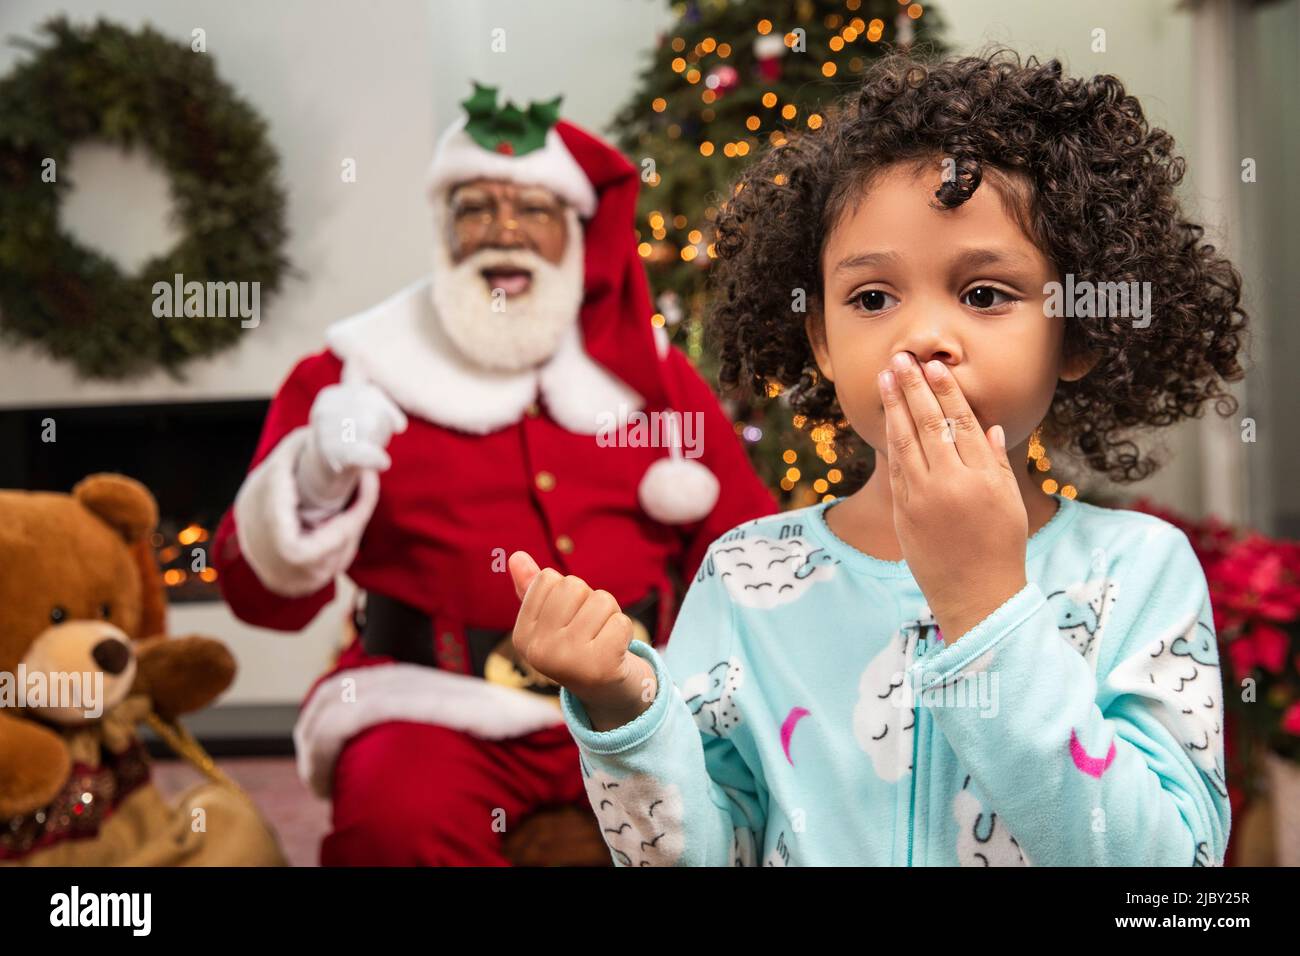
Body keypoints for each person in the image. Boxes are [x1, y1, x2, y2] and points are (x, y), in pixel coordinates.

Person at [506, 50, 1244, 866]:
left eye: (985, 294)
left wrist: (989, 609)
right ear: (821, 339)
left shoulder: (1137, 573)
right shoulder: (748, 577)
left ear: (1077, 333)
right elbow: (702, 853)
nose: (922, 336)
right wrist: (622, 712)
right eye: (872, 299)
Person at [212, 82, 777, 865]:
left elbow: (744, 548)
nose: (503, 231)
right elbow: (254, 595)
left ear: (575, 234)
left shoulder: (648, 376)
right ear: (444, 230)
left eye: (535, 209)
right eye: (476, 206)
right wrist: (313, 479)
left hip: (635, 694)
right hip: (433, 707)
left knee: (722, 819)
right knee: (395, 825)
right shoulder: (353, 373)